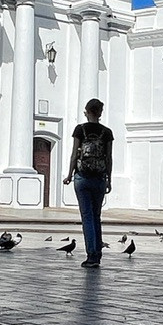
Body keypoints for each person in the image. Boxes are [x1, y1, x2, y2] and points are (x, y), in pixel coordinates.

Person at [63, 98, 113, 267]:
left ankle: (91, 255)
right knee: (96, 217)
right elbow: (109, 158)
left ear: (87, 111)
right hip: (99, 178)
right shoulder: (106, 132)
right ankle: (97, 254)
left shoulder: (80, 129)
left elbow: (74, 154)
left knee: (87, 217)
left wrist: (69, 175)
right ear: (100, 112)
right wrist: (109, 180)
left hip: (82, 178)